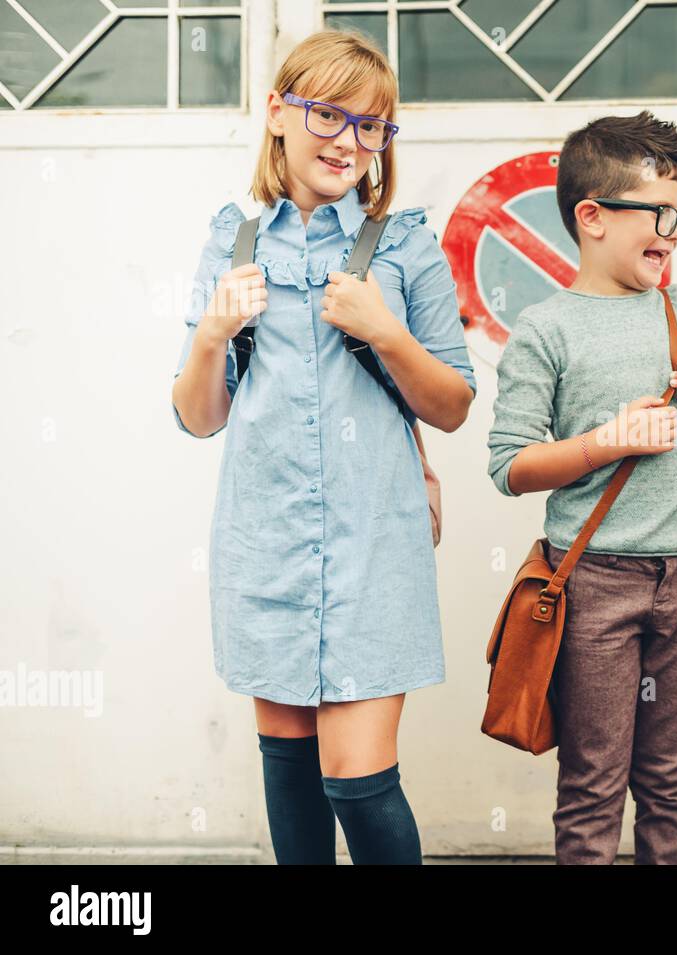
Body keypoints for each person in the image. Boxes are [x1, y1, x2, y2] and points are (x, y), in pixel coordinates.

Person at [170, 30, 475, 864]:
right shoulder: (231, 242)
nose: (350, 141)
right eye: (329, 115)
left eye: (372, 125)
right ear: (277, 113)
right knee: (293, 774)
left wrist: (387, 332)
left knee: (357, 778)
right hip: (267, 545)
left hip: (374, 544)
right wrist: (210, 335)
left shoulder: (403, 243)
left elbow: (451, 404)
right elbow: (199, 417)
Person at [486, 111, 677, 864]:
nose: (673, 230)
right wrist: (607, 441)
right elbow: (509, 466)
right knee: (595, 781)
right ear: (591, 217)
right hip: (596, 581)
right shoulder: (546, 331)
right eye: (659, 213)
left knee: (671, 780)